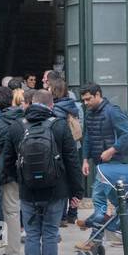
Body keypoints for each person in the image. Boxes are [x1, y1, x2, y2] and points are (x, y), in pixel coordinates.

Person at [3, 89, 82, 255]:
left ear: (30, 103)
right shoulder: (59, 126)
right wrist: (77, 191)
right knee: (50, 234)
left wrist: (19, 179)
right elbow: (72, 161)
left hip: (28, 191)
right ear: (51, 105)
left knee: (31, 235)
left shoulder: (17, 127)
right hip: (56, 191)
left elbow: (6, 161)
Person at [78, 83, 128, 231]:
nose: (85, 103)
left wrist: (111, 150)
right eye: (83, 100)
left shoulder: (113, 112)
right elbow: (87, 138)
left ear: (98, 95)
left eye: (88, 99)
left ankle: (94, 239)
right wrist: (85, 160)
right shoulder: (90, 113)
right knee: (117, 201)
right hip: (100, 164)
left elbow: (127, 135)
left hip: (115, 163)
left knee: (98, 197)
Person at [0, 85, 27, 255]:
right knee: (35, 209)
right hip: (33, 170)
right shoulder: (27, 120)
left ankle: (12, 251)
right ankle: (37, 248)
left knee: (11, 210)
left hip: (10, 172)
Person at [47, 73, 83, 226]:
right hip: (73, 145)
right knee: (71, 177)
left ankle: (61, 215)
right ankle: (71, 213)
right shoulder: (73, 105)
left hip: (57, 147)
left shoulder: (54, 108)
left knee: (60, 179)